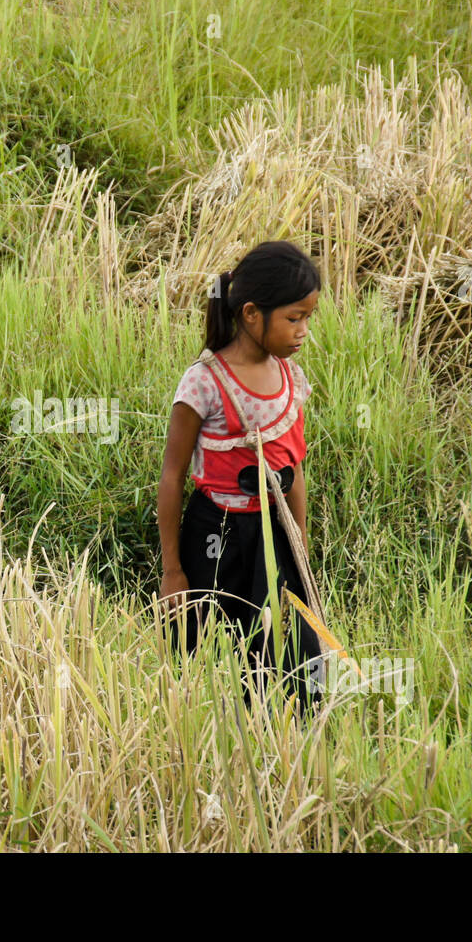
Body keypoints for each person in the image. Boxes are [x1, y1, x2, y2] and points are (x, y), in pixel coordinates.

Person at [157, 240, 325, 707]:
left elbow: (293, 470)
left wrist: (300, 548)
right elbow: (171, 477)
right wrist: (173, 570)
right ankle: (210, 741)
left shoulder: (291, 378)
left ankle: (291, 737)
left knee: (288, 650)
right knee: (208, 654)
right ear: (251, 313)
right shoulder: (204, 381)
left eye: (308, 317)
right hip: (218, 537)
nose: (303, 330)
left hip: (276, 533)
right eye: (294, 318)